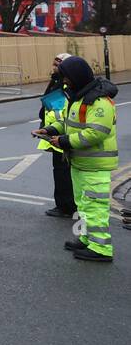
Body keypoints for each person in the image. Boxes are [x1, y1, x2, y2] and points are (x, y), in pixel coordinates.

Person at [35, 55, 117, 263]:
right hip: (81, 163)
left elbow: (95, 133)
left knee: (95, 207)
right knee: (84, 204)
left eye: (68, 78)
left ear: (78, 76)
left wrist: (64, 141)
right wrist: (50, 129)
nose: (65, 82)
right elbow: (68, 122)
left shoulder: (99, 102)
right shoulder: (79, 97)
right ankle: (87, 239)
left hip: (95, 166)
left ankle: (101, 248)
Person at [38, 53, 78, 218]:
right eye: (54, 64)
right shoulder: (56, 82)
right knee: (60, 171)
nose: (54, 68)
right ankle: (64, 204)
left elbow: (62, 111)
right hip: (55, 132)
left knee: (63, 172)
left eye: (57, 65)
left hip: (63, 135)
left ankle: (66, 206)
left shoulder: (66, 86)